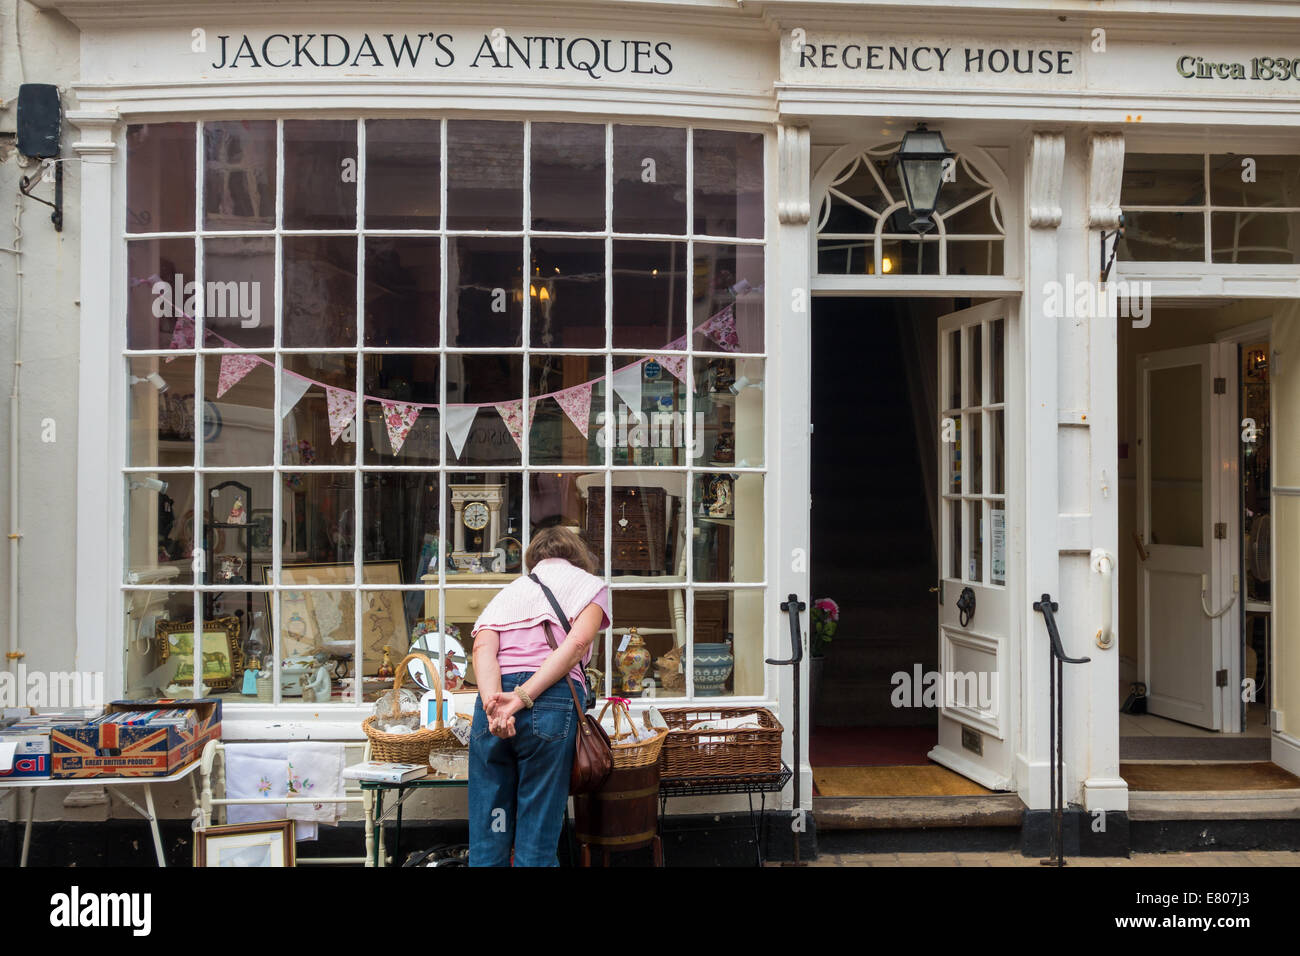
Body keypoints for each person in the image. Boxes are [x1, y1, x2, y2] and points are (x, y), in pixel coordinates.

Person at [467, 526, 608, 866]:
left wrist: (494, 705)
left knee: (489, 825)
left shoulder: (508, 593)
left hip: (494, 701)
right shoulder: (592, 586)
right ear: (578, 556)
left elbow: (483, 646)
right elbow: (575, 646)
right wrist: (522, 698)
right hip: (549, 701)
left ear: (533, 560)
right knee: (537, 832)